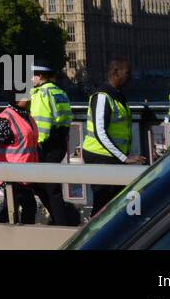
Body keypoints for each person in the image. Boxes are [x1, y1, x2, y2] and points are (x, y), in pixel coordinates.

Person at [83, 58, 146, 212]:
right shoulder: (103, 96)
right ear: (115, 72)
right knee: (102, 203)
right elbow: (100, 132)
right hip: (99, 155)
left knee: (114, 203)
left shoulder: (117, 95)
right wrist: (125, 158)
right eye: (127, 73)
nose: (130, 76)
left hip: (112, 155)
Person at [29, 63, 79, 226]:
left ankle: (61, 222)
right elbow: (67, 116)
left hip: (46, 145)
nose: (31, 79)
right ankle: (60, 218)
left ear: (40, 76)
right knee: (49, 186)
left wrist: (37, 146)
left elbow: (41, 121)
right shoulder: (59, 91)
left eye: (33, 75)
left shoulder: (41, 93)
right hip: (60, 141)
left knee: (48, 187)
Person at [0, 90, 39, 225]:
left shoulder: (26, 115)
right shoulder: (8, 117)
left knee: (18, 208)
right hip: (13, 173)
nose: (28, 98)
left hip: (25, 173)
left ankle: (13, 237)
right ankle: (10, 237)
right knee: (19, 208)